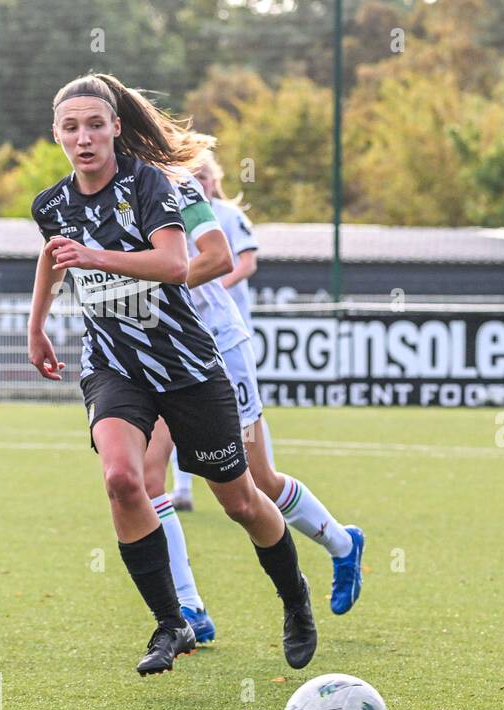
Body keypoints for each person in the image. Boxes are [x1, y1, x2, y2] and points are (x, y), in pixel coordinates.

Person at [26, 72, 319, 675]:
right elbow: (53, 256)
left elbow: (174, 261)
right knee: (122, 480)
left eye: (95, 125)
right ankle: (171, 623)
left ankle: (296, 601)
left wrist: (96, 257)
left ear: (113, 128)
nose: (84, 138)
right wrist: (37, 326)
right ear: (56, 134)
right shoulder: (51, 203)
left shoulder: (149, 182)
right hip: (114, 367)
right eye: (71, 127)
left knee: (240, 500)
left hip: (185, 365)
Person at [143, 161, 364, 644]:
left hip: (220, 346)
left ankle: (343, 543)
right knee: (144, 477)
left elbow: (225, 260)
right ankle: (189, 609)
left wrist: (151, 283)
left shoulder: (185, 196)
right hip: (163, 356)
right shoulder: (113, 198)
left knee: (257, 481)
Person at [169, 150, 261, 510]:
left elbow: (242, 261)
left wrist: (213, 285)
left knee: (244, 423)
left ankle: (254, 485)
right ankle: (182, 490)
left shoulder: (226, 215)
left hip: (224, 331)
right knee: (174, 419)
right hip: (181, 334)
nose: (201, 181)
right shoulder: (162, 205)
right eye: (197, 175)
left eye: (205, 175)